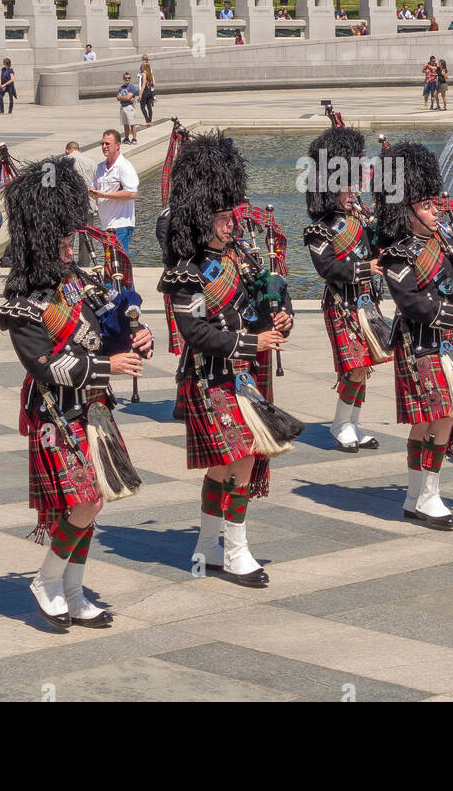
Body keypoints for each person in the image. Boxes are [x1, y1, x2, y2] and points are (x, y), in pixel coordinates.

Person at [0, 155, 152, 629]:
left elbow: (111, 333)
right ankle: (47, 581)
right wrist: (109, 365)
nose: (70, 247)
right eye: (62, 240)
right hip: (56, 413)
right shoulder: (24, 305)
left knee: (91, 502)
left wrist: (139, 338)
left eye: (71, 238)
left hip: (95, 411)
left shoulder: (83, 284)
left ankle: (73, 590)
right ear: (41, 242)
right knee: (84, 502)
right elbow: (47, 365)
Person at [158, 132, 296, 586]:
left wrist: (281, 315)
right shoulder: (186, 273)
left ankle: (205, 547)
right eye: (220, 218)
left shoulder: (241, 258)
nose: (230, 224)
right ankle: (236, 551)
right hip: (208, 375)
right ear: (201, 218)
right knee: (241, 457)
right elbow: (196, 332)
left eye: (229, 215)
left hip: (240, 377)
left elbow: (266, 298)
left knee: (228, 463)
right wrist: (249, 345)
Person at [376, 141, 453, 530]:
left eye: (432, 204)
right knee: (437, 414)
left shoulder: (445, 243)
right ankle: (424, 495)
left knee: (442, 417)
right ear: (405, 211)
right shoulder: (397, 254)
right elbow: (410, 303)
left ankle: (421, 495)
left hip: (445, 342)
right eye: (426, 206)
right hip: (416, 341)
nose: (435, 211)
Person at [303, 126, 381, 453]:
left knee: (365, 366)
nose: (353, 190)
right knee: (355, 367)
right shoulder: (318, 230)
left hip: (365, 303)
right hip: (340, 304)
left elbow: (375, 249)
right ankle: (340, 424)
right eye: (346, 186)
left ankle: (351, 423)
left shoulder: (359, 219)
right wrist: (367, 268)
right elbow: (328, 269)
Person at [91, 129, 139, 255]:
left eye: (107, 144)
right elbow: (95, 190)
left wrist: (103, 194)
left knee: (118, 263)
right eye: (102, 144)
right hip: (105, 225)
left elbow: (132, 193)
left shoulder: (124, 166)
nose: (104, 147)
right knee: (109, 264)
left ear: (118, 145)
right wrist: (92, 193)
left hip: (121, 224)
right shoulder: (99, 167)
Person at [64, 142, 100, 228]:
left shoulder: (62, 162)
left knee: (68, 239)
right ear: (79, 150)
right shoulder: (92, 163)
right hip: (88, 205)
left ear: (66, 150)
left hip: (69, 207)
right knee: (87, 237)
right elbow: (97, 185)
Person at [117, 72, 139, 143]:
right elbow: (118, 98)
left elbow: (127, 97)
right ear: (123, 79)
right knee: (125, 124)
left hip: (129, 107)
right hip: (122, 107)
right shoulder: (121, 87)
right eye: (126, 78)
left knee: (132, 124)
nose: (127, 79)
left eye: (129, 78)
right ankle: (126, 138)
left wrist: (122, 97)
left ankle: (134, 139)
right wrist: (124, 97)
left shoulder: (131, 87)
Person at [137, 55, 155, 125]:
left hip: (145, 92)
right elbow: (154, 83)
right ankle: (149, 121)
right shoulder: (150, 74)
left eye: (142, 66)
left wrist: (140, 94)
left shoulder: (144, 74)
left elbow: (143, 84)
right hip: (150, 91)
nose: (141, 67)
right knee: (149, 106)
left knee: (142, 107)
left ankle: (147, 121)